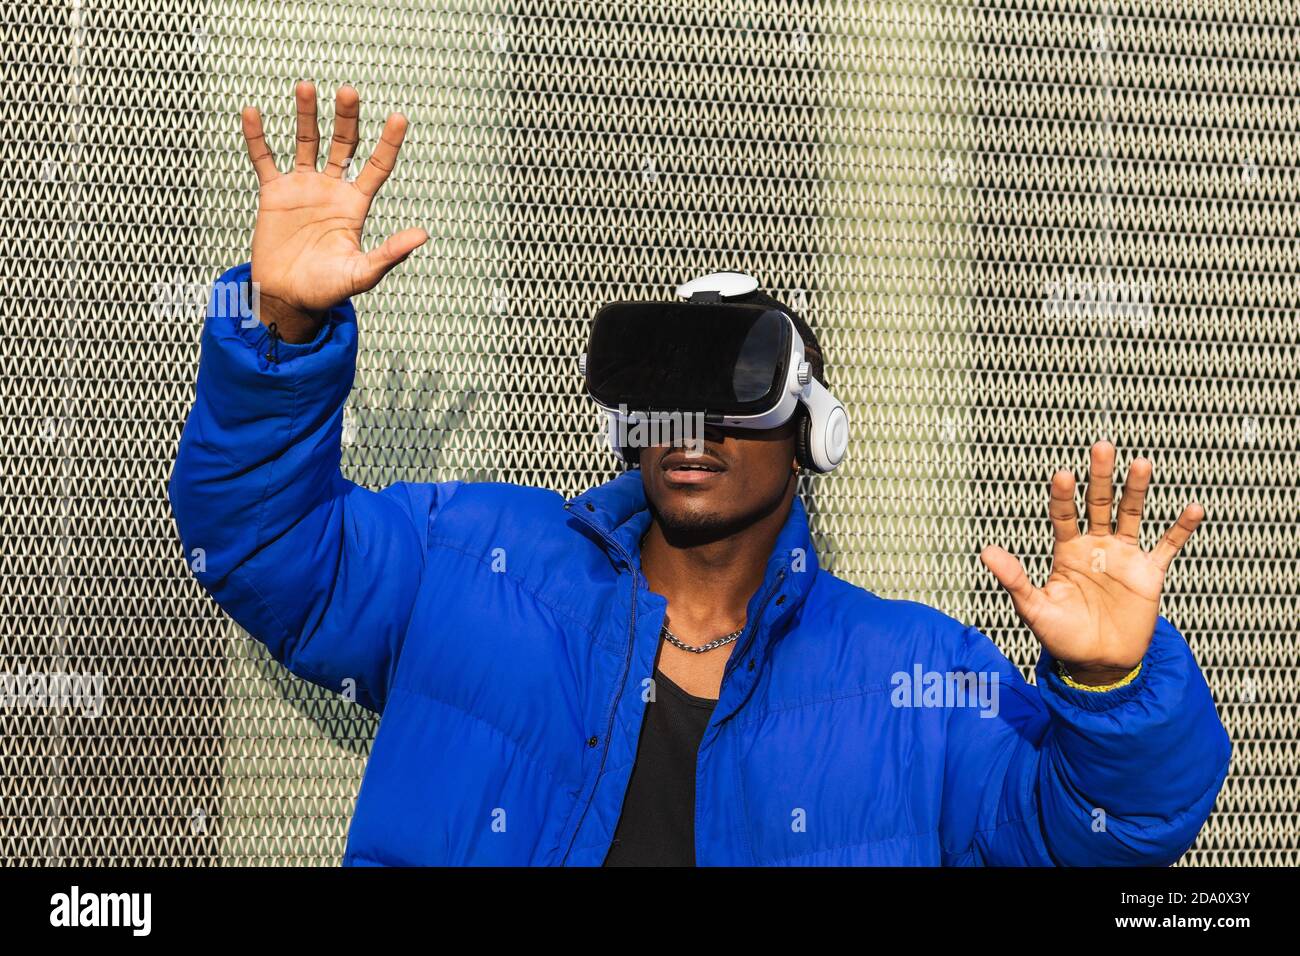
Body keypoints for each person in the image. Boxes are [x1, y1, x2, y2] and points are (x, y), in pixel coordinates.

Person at [169, 82, 1231, 866]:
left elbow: (1099, 833)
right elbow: (263, 544)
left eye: (740, 387)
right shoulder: (467, 564)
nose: (696, 423)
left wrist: (1109, 688)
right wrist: (284, 325)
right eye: (668, 385)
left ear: (815, 432)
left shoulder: (912, 678)